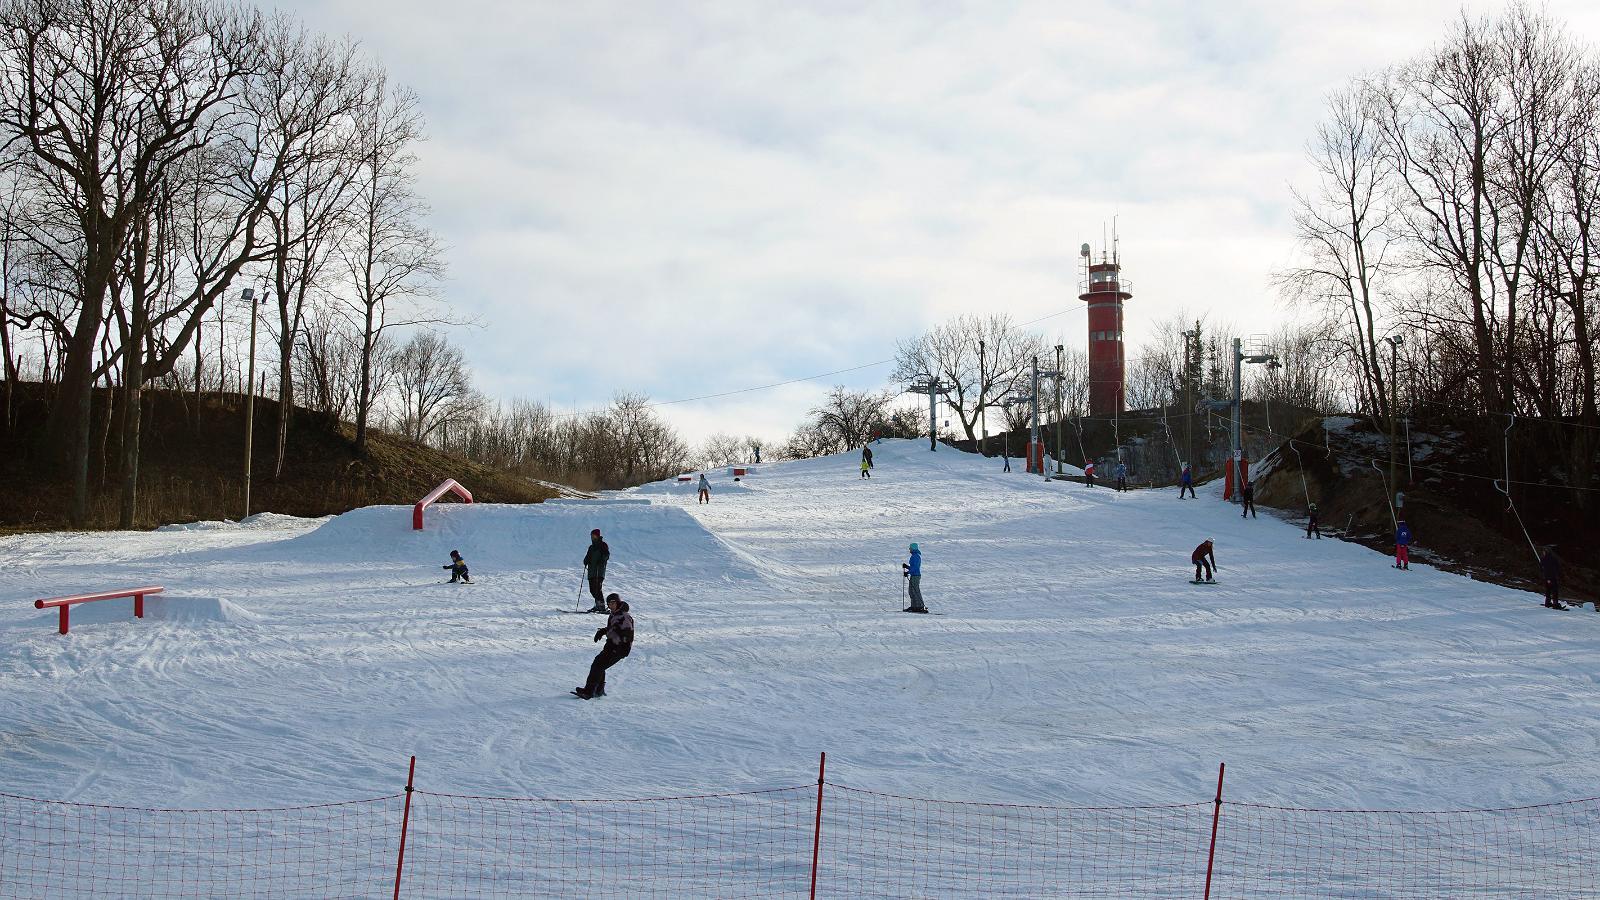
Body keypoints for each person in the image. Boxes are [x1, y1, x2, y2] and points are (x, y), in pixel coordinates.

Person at [575, 594, 634, 699]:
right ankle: (599, 690)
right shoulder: (614, 614)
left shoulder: (624, 616)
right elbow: (612, 627)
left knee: (598, 665)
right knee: (599, 664)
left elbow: (626, 633)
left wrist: (621, 647)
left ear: (618, 602)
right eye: (609, 603)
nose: (611, 605)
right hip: (611, 646)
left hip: (619, 648)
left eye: (613, 603)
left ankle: (590, 691)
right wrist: (603, 631)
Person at [583, 529, 611, 612]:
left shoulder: (603, 545)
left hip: (599, 570)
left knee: (597, 588)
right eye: (591, 536)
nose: (592, 537)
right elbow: (588, 556)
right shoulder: (591, 547)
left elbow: (606, 555)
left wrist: (602, 559)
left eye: (593, 535)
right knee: (592, 589)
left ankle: (601, 606)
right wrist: (585, 560)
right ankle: (597, 605)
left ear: (598, 536)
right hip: (591, 571)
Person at [902, 543, 927, 613]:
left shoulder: (915, 556)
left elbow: (915, 568)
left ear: (913, 548)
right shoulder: (915, 556)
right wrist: (907, 567)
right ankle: (914, 606)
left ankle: (918, 606)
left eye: (910, 548)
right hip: (914, 575)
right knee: (912, 591)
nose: (909, 549)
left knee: (914, 591)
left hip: (915, 576)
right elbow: (913, 567)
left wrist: (908, 572)